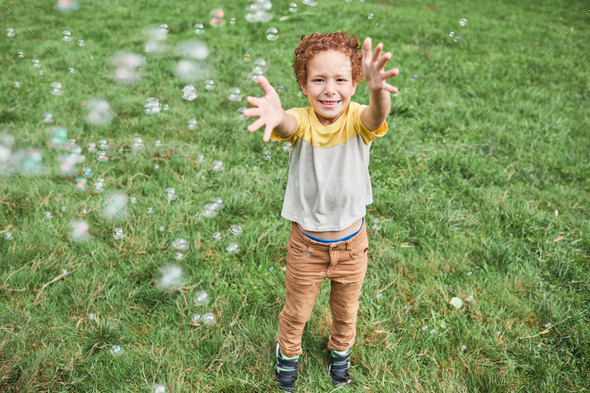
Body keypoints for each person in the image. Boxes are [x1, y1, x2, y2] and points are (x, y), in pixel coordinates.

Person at [244, 31, 399, 391]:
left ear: (356, 84)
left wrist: (378, 92)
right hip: (307, 247)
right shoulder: (301, 120)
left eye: (341, 80)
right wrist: (276, 114)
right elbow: (286, 124)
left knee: (345, 312)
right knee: (297, 311)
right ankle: (289, 354)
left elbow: (377, 117)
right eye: (319, 80)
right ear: (303, 84)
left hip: (351, 247)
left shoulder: (358, 119)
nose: (330, 90)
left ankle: (340, 353)